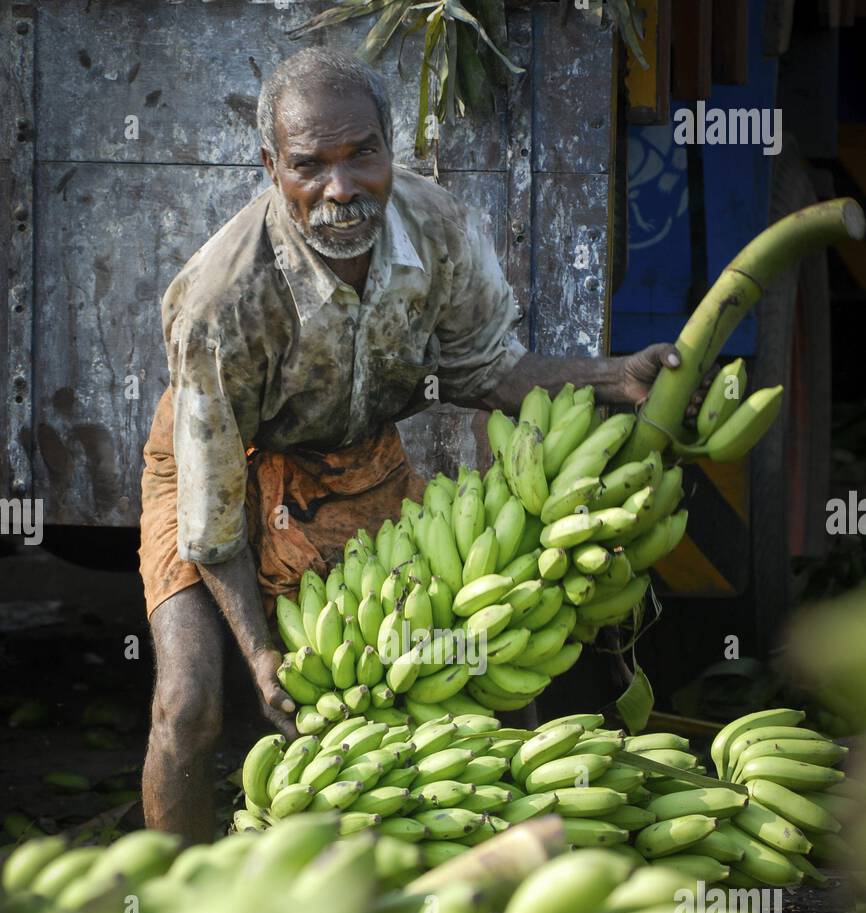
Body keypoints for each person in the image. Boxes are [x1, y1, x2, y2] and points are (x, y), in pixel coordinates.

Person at [139, 47, 708, 842]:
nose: (341, 188)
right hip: (218, 459)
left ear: (389, 145)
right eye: (310, 165)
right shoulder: (222, 299)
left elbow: (491, 369)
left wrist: (617, 377)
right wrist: (258, 651)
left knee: (466, 666)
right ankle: (170, 899)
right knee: (190, 702)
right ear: (271, 166)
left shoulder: (436, 228)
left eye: (361, 154)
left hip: (354, 456)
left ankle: (494, 857)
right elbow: (208, 513)